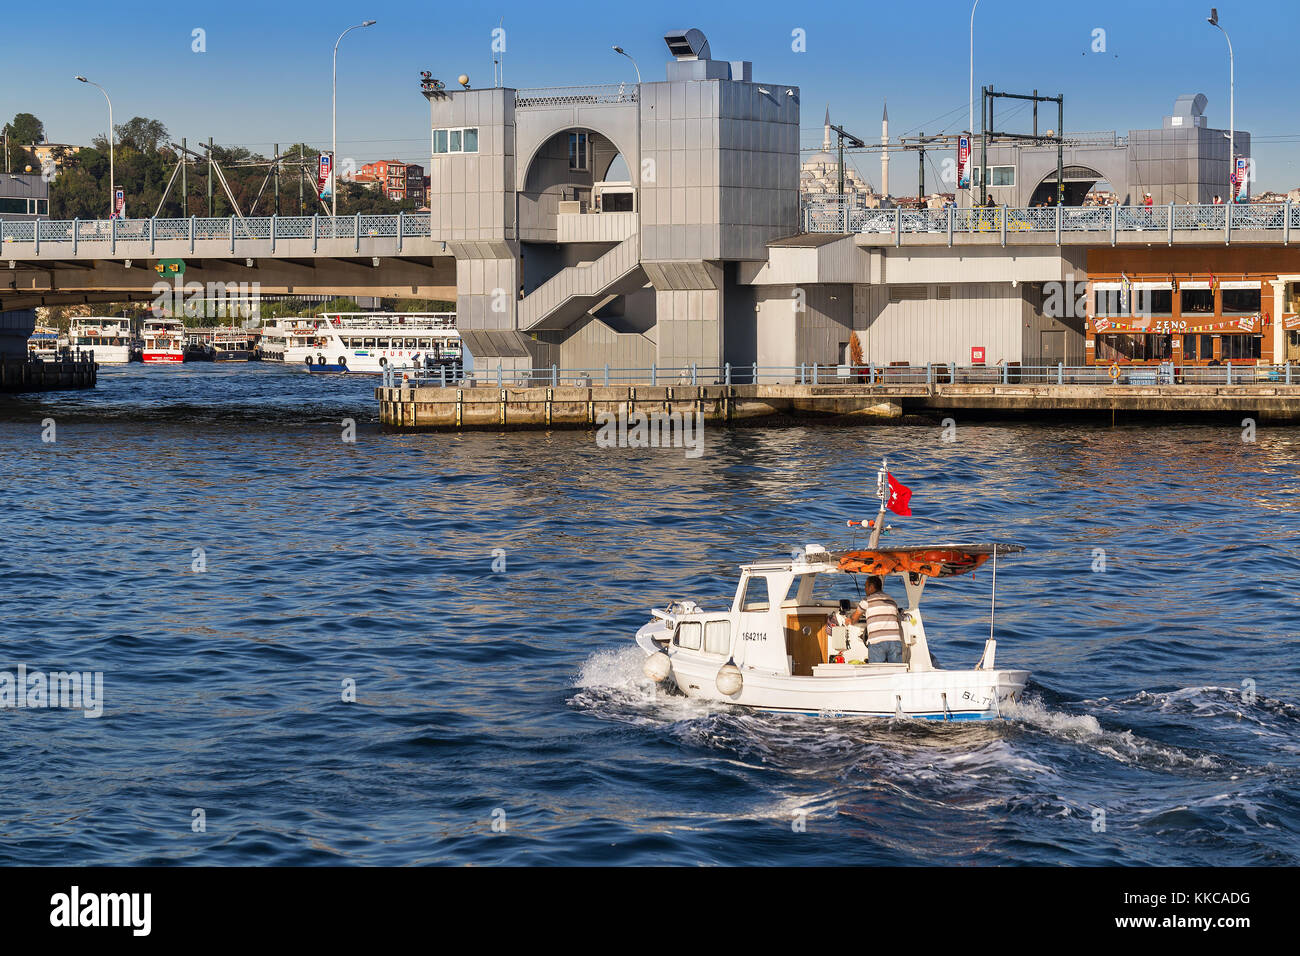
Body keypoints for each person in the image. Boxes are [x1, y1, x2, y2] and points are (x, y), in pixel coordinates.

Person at [859, 576, 905, 663]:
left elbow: (854, 617)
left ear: (871, 587)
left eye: (866, 586)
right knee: (897, 670)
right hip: (895, 641)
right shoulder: (892, 601)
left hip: (877, 642)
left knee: (876, 671)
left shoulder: (866, 601)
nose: (865, 589)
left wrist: (849, 620)